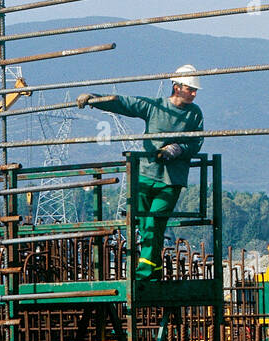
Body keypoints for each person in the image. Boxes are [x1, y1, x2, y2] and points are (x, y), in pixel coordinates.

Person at [77, 65, 204, 281]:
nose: (193, 93)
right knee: (145, 226)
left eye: (195, 90)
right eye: (190, 88)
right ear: (176, 87)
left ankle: (144, 274)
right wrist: (94, 98)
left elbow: (196, 142)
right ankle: (153, 271)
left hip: (171, 180)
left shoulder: (194, 114)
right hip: (145, 174)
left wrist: (179, 149)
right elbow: (125, 103)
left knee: (154, 222)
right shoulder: (156, 107)